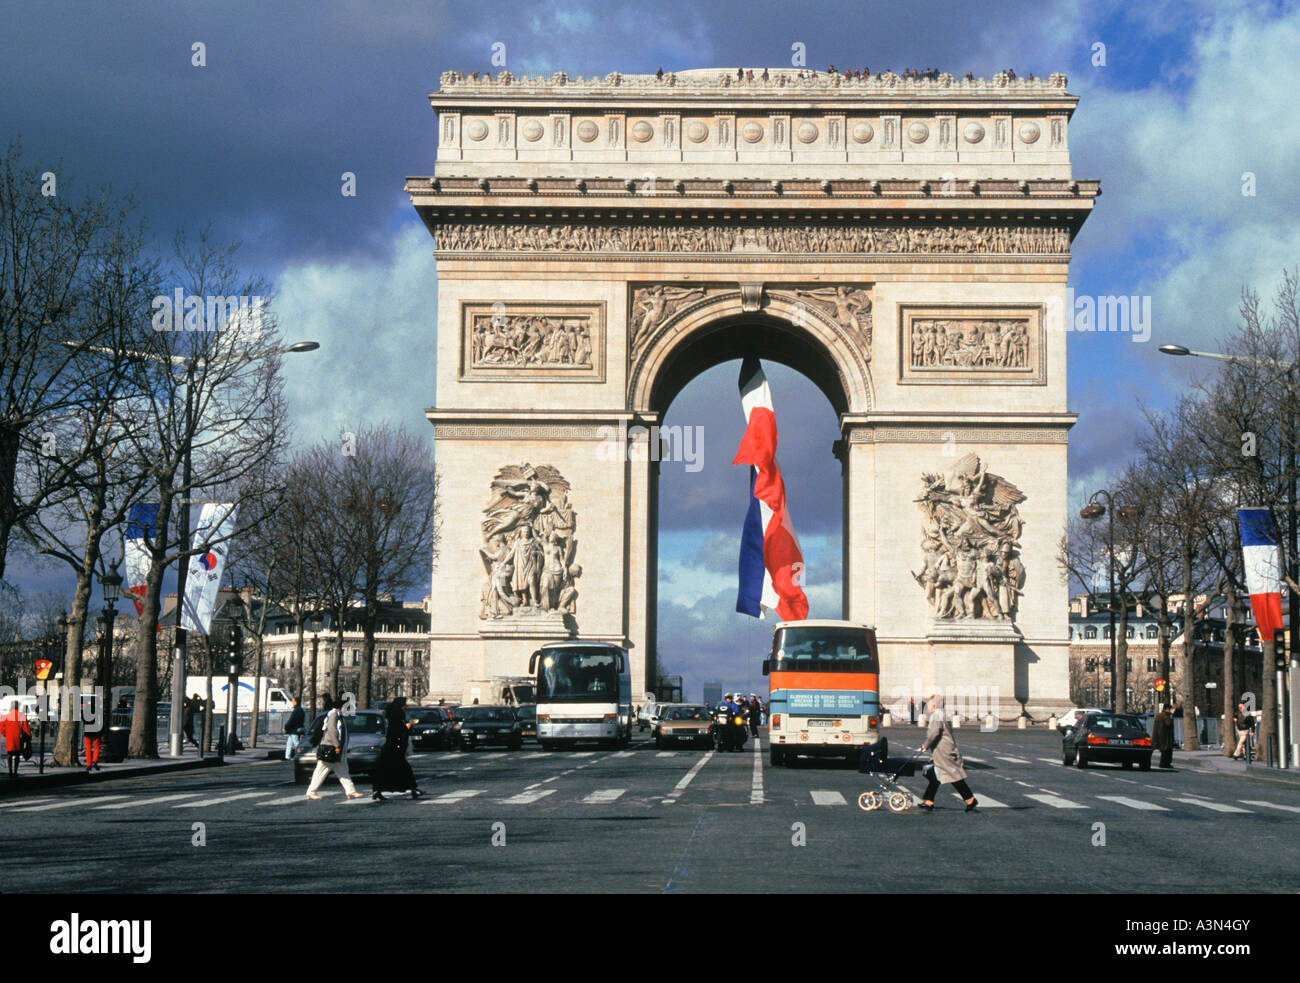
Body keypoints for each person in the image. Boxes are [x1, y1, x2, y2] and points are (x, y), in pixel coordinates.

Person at [918, 692, 977, 812]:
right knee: (936, 775)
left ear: (935, 705)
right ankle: (929, 801)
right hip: (942, 750)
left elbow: (934, 732)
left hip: (943, 751)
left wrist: (925, 745)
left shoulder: (937, 715)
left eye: (929, 704)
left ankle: (970, 799)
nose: (927, 706)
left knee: (952, 775)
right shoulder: (941, 714)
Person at [306, 694, 365, 801]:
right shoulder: (333, 714)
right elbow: (332, 731)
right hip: (331, 748)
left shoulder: (337, 714)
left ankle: (351, 791)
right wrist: (337, 745)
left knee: (343, 771)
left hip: (336, 750)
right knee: (321, 771)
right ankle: (311, 791)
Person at [373, 697, 421, 801]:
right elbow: (398, 730)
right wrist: (407, 727)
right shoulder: (398, 714)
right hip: (396, 745)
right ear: (400, 706)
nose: (406, 706)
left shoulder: (392, 714)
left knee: (385, 768)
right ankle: (413, 788)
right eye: (404, 704)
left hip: (390, 745)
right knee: (404, 768)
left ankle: (378, 789)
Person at [2, 699, 32, 778]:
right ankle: (15, 771)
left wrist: (5, 734)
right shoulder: (21, 715)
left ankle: (10, 771)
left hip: (9, 738)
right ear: (18, 707)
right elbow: (26, 727)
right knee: (17, 755)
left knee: (9, 754)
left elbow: (1, 727)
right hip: (18, 738)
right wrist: (29, 736)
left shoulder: (7, 716)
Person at [82, 693, 105, 773]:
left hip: (88, 731)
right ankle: (95, 761)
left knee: (88, 748)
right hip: (96, 730)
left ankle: (89, 764)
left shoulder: (86, 711)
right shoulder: (98, 710)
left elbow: (84, 720)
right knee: (96, 747)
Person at [1152, 703, 1175, 769]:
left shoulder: (1158, 715)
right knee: (1167, 750)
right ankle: (1165, 763)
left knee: (1164, 750)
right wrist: (1170, 716)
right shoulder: (1166, 716)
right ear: (1167, 709)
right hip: (1166, 736)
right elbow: (1168, 723)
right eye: (1170, 709)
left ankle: (1164, 763)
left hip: (1159, 735)